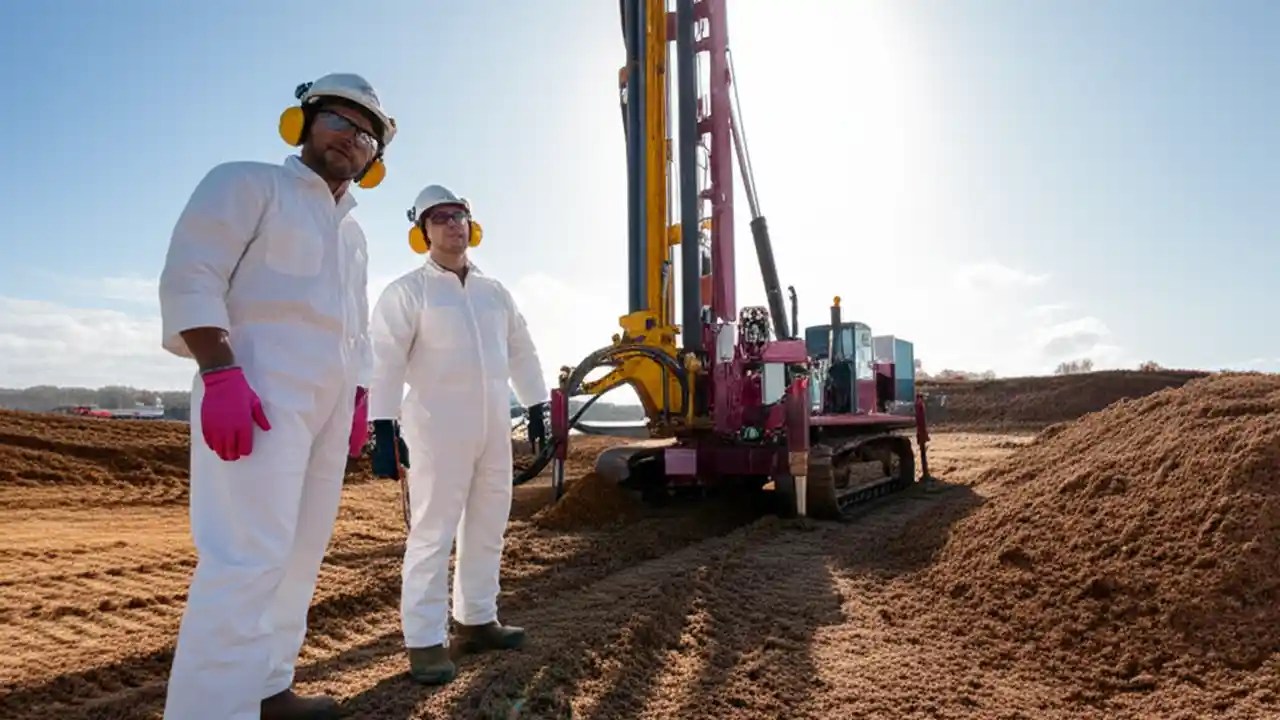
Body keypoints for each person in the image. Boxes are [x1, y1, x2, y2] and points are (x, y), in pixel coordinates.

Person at [156, 72, 397, 720]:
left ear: (376, 158)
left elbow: (356, 323)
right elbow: (192, 272)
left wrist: (358, 400)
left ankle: (268, 689)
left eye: (367, 133)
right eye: (340, 121)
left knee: (298, 555)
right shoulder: (248, 183)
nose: (352, 138)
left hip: (326, 405)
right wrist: (219, 371)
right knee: (244, 560)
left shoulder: (356, 234)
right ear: (303, 123)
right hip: (258, 393)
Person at [367, 184, 549, 685]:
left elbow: (521, 350)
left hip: (493, 430)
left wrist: (536, 403)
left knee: (488, 525)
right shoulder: (408, 292)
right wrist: (382, 426)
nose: (452, 224)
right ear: (422, 231)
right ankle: (425, 641)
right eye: (440, 217)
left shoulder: (494, 292)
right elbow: (382, 360)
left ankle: (476, 620)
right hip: (436, 430)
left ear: (471, 224)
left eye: (459, 215)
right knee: (432, 533)